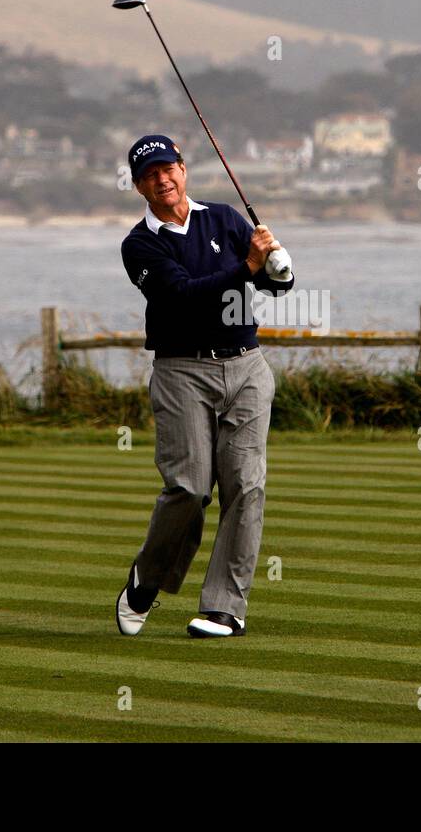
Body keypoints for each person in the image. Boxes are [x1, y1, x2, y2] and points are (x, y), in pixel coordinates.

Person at [116, 133, 294, 638]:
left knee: (246, 485)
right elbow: (179, 297)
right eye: (151, 175)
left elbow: (271, 284)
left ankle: (224, 607)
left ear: (183, 169)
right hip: (181, 373)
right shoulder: (139, 245)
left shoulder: (223, 219)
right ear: (138, 187)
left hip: (246, 367)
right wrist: (246, 267)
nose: (162, 179)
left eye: (168, 168)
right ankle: (147, 580)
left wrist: (276, 265)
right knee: (189, 489)